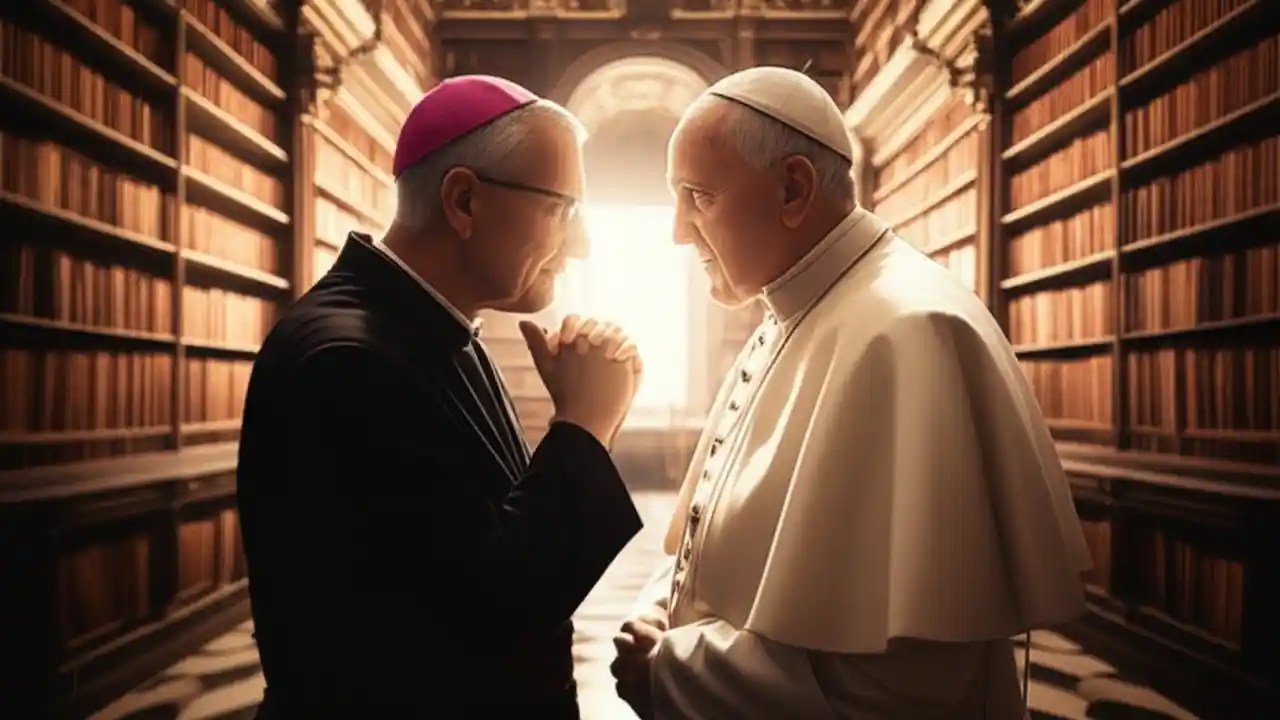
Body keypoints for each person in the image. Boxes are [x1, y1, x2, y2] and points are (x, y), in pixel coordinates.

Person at [610, 66, 1092, 718]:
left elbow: (907, 686)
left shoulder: (910, 331)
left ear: (793, 188)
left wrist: (674, 670)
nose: (676, 230)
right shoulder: (792, 309)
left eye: (698, 195)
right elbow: (714, 553)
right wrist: (658, 612)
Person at [236, 75, 645, 718]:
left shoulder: (430, 326)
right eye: (562, 209)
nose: (581, 246)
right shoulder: (350, 360)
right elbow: (492, 607)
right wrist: (586, 425)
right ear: (465, 201)